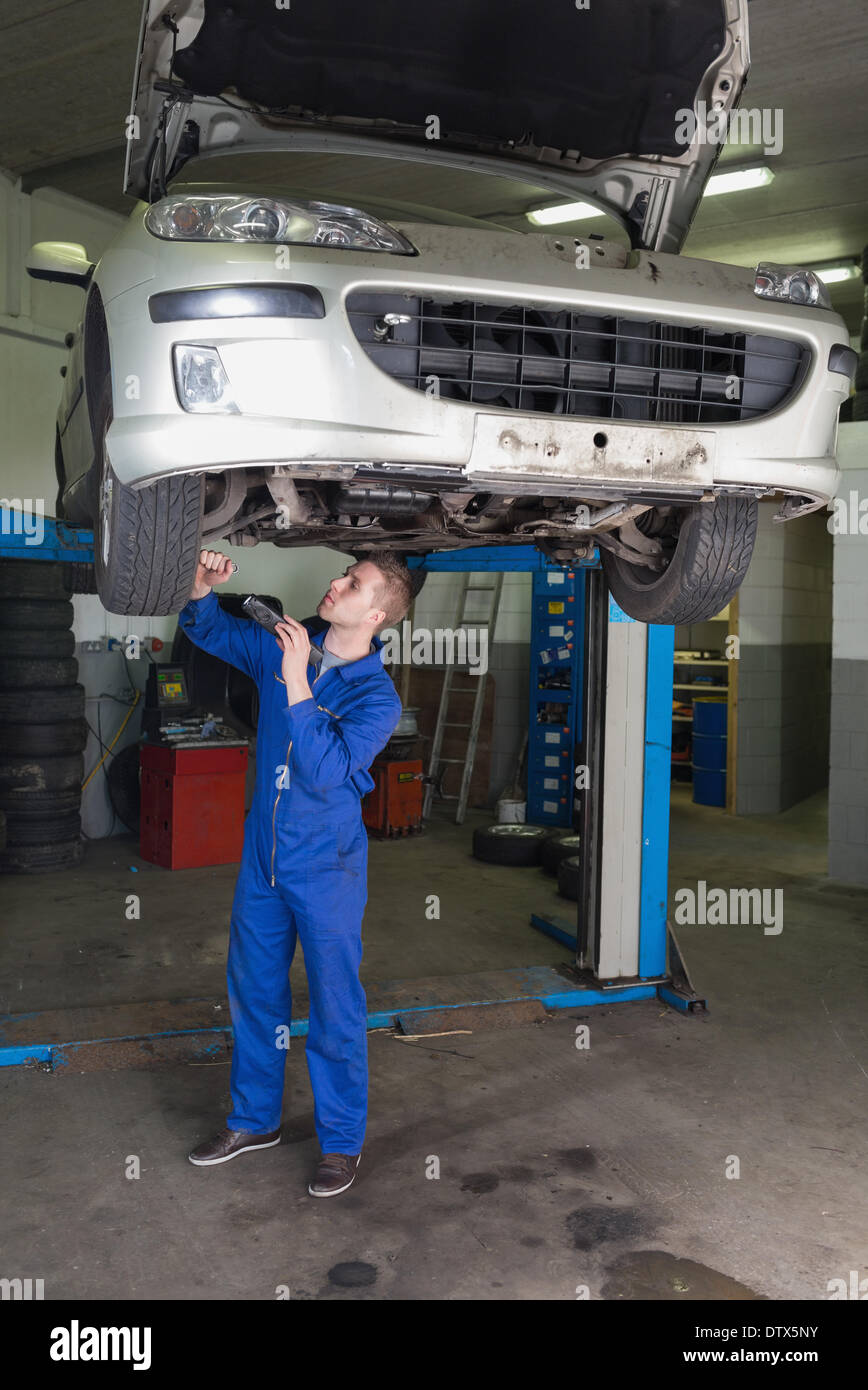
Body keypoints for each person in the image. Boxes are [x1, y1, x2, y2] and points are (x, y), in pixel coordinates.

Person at [181, 547, 412, 1196]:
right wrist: (200, 594)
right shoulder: (296, 643)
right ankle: (254, 1121)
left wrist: (298, 681)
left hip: (327, 869)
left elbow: (326, 771)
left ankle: (341, 1144)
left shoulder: (376, 699)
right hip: (265, 860)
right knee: (254, 991)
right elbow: (218, 635)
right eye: (343, 574)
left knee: (336, 1006)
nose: (335, 583)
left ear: (376, 613)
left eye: (353, 582)